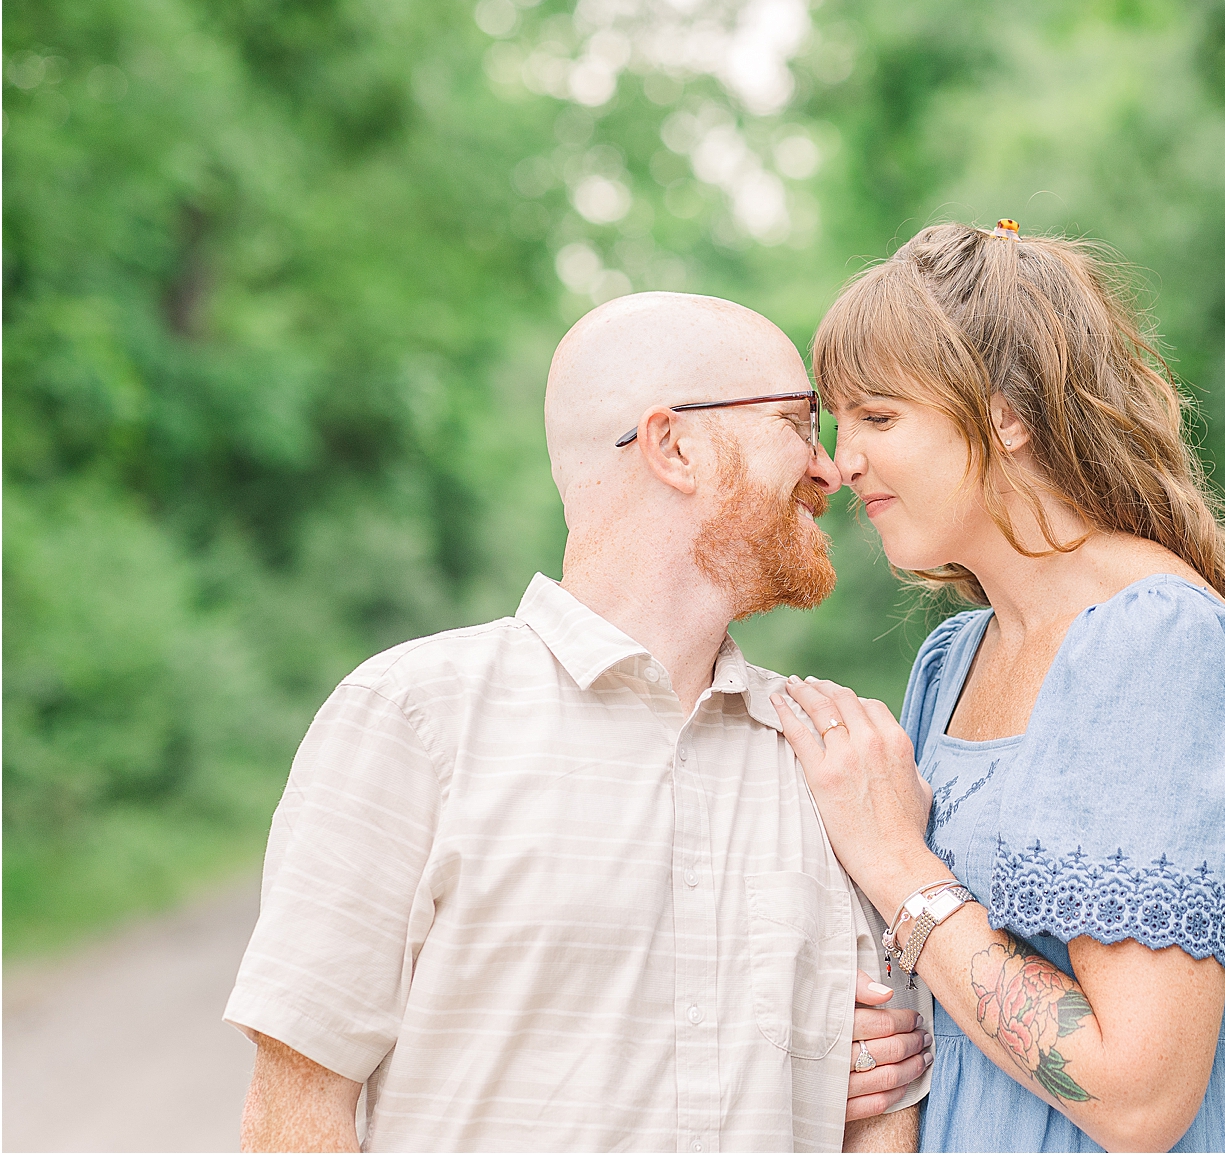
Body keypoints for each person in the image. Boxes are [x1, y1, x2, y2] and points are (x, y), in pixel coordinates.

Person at [225, 294, 932, 1152]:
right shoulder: (412, 718)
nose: (830, 470)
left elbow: (884, 1106)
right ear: (675, 446)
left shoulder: (831, 753)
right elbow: (296, 1115)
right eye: (796, 422)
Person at [770, 222, 1225, 1152]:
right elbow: (926, 992)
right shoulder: (951, 661)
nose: (842, 461)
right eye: (837, 423)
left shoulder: (1160, 641)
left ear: (1006, 415)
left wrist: (898, 866)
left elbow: (1138, 1095)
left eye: (877, 416)